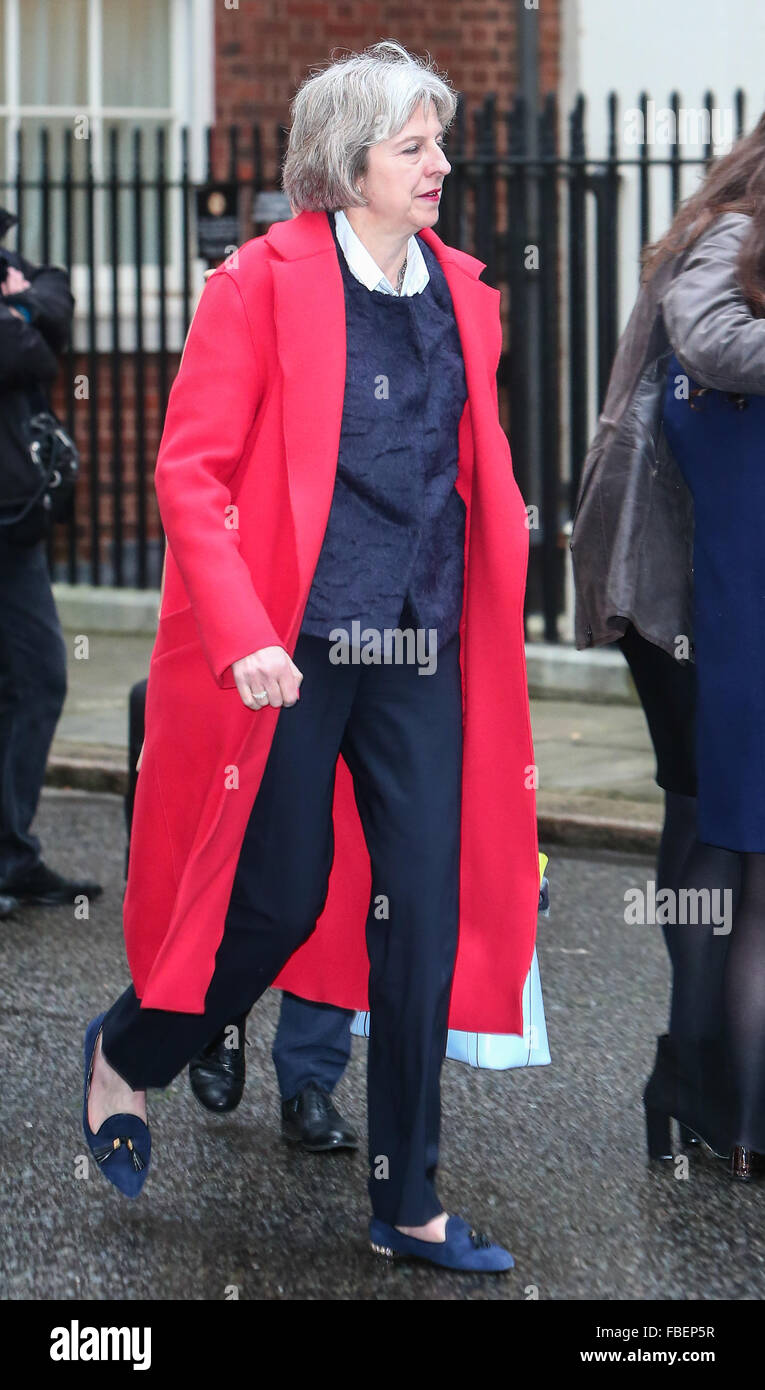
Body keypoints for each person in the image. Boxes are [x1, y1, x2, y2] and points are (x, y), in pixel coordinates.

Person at [82, 40, 540, 1272]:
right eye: (416, 146)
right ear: (349, 167)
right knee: (276, 899)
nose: (442, 163)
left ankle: (407, 1199)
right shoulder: (257, 284)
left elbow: (460, 461)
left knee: (421, 919)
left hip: (420, 641)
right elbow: (191, 475)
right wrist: (245, 637)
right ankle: (130, 1053)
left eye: (437, 142)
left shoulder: (460, 288)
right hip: (297, 644)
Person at [571, 113, 765, 1179]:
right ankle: (694, 1089)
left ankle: (696, 1084)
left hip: (713, 580)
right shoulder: (722, 233)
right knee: (706, 836)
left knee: (717, 841)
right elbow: (717, 344)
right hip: (669, 583)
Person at [128, 674, 358, 1149]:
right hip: (274, 642)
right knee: (249, 837)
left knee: (348, 868)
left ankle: (309, 1079)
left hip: (376, 645)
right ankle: (223, 1006)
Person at [0, 207, 102, 917]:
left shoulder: (18, 278)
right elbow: (28, 355)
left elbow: (56, 300)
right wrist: (24, 318)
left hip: (15, 524)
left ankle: (11, 854)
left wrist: (24, 304)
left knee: (37, 680)